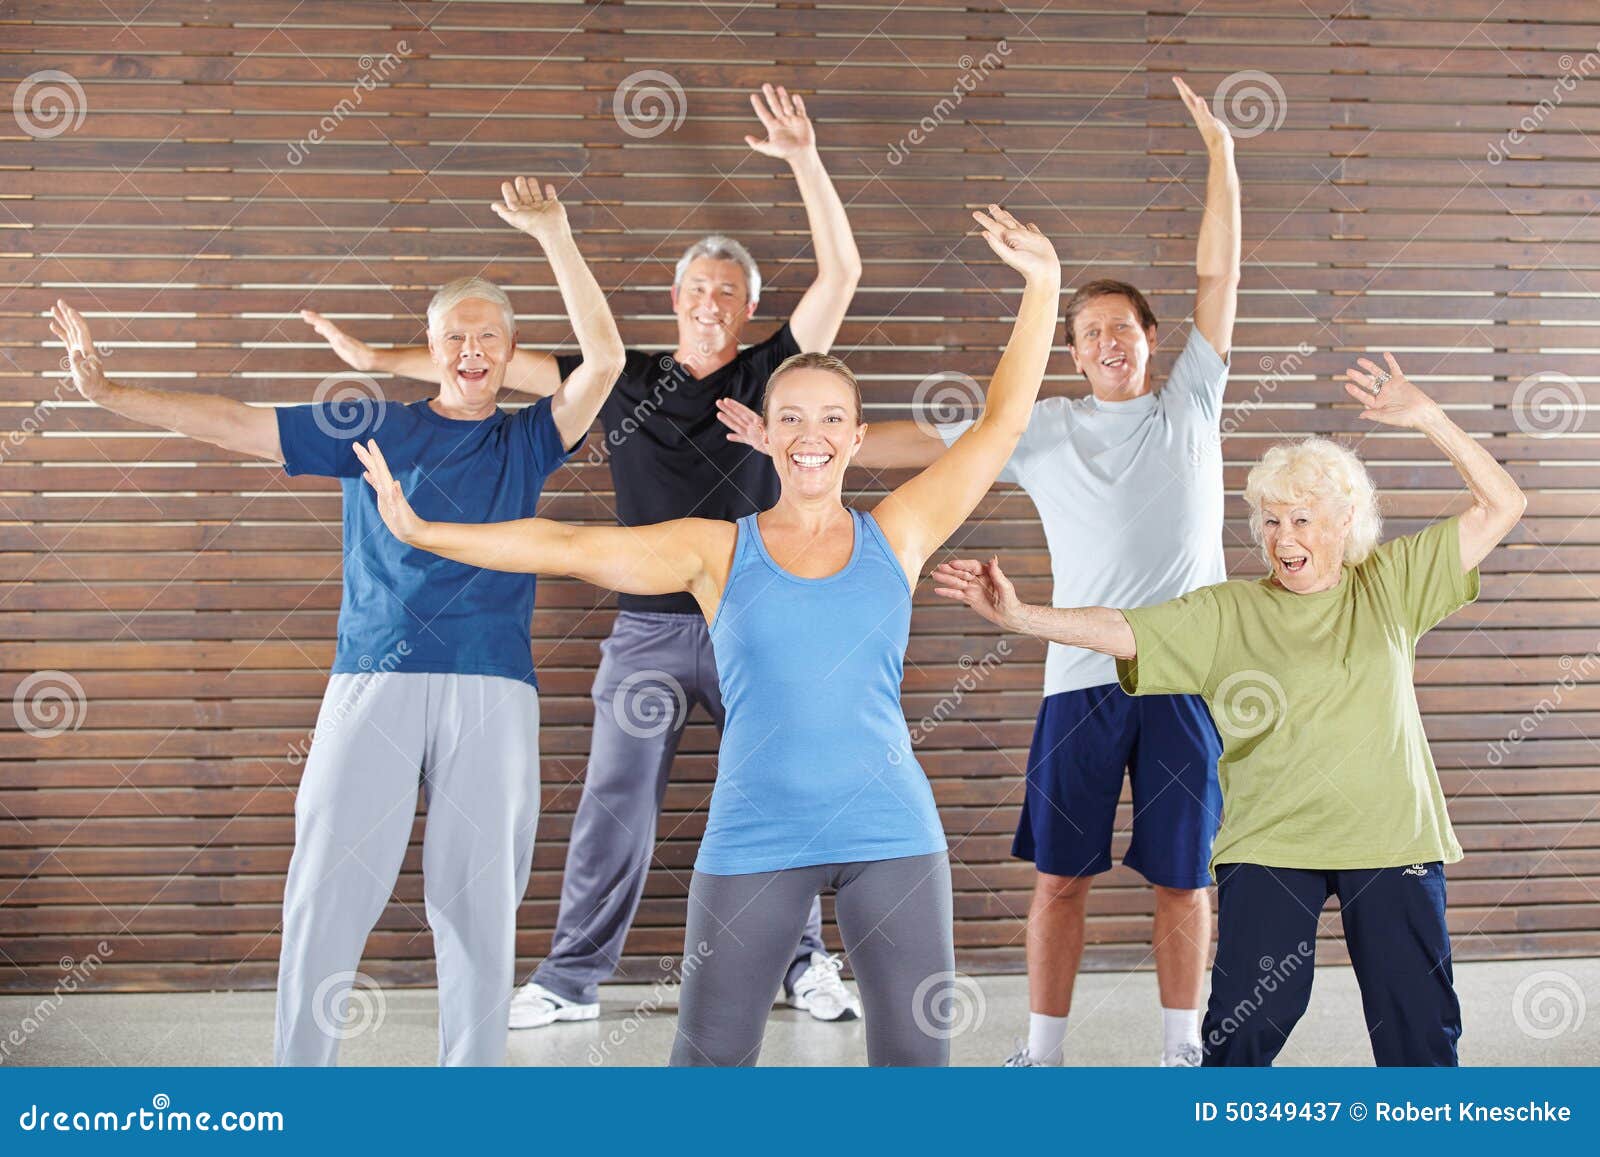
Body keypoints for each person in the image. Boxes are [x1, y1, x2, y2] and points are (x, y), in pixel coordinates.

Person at [346, 207, 1061, 1065]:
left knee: (914, 1083)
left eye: (832, 420)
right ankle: (576, 974)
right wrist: (427, 532)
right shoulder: (718, 550)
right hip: (755, 837)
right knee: (705, 1079)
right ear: (766, 427)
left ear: (857, 437)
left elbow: (1002, 426)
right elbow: (570, 548)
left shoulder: (898, 533)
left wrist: (1044, 284)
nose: (811, 436)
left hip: (893, 833)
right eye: (792, 417)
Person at [301, 83, 867, 1028]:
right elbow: (481, 365)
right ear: (674, 300)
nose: (710, 305)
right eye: (696, 291)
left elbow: (842, 273)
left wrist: (806, 157)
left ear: (749, 306)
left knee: (785, 783)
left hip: (754, 617)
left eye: (728, 293)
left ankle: (805, 961)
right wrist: (376, 352)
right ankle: (569, 977)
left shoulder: (774, 371)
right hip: (647, 625)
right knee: (615, 803)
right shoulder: (622, 378)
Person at [716, 75, 1239, 1067]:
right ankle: (1041, 1052)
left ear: (1152, 343)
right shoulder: (1039, 430)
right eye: (1087, 334)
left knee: (1185, 881)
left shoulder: (1192, 405)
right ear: (1074, 350)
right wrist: (804, 439)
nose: (1107, 344)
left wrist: (1219, 152)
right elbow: (916, 446)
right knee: (1059, 879)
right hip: (1078, 679)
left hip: (1184, 676)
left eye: (1123, 330)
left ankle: (1182, 1050)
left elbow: (1218, 276)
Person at [49, 177, 625, 1066]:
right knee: (324, 889)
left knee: (478, 903)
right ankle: (297, 1092)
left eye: (489, 338)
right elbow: (241, 425)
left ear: (509, 352)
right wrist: (111, 392)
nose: (471, 351)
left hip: (492, 686)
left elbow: (609, 360)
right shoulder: (374, 426)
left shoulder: (527, 438)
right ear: (430, 350)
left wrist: (553, 233)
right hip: (374, 679)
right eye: (454, 336)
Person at [931, 354, 1526, 1067]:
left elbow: (1502, 504)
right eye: (1270, 520)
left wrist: (1429, 417)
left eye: (1302, 519)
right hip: (1272, 844)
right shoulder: (1230, 611)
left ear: (1345, 522)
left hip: (1392, 838)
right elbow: (1126, 627)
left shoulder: (1392, 585)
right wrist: (1024, 616)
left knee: (1419, 1030)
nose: (1282, 538)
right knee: (1244, 1028)